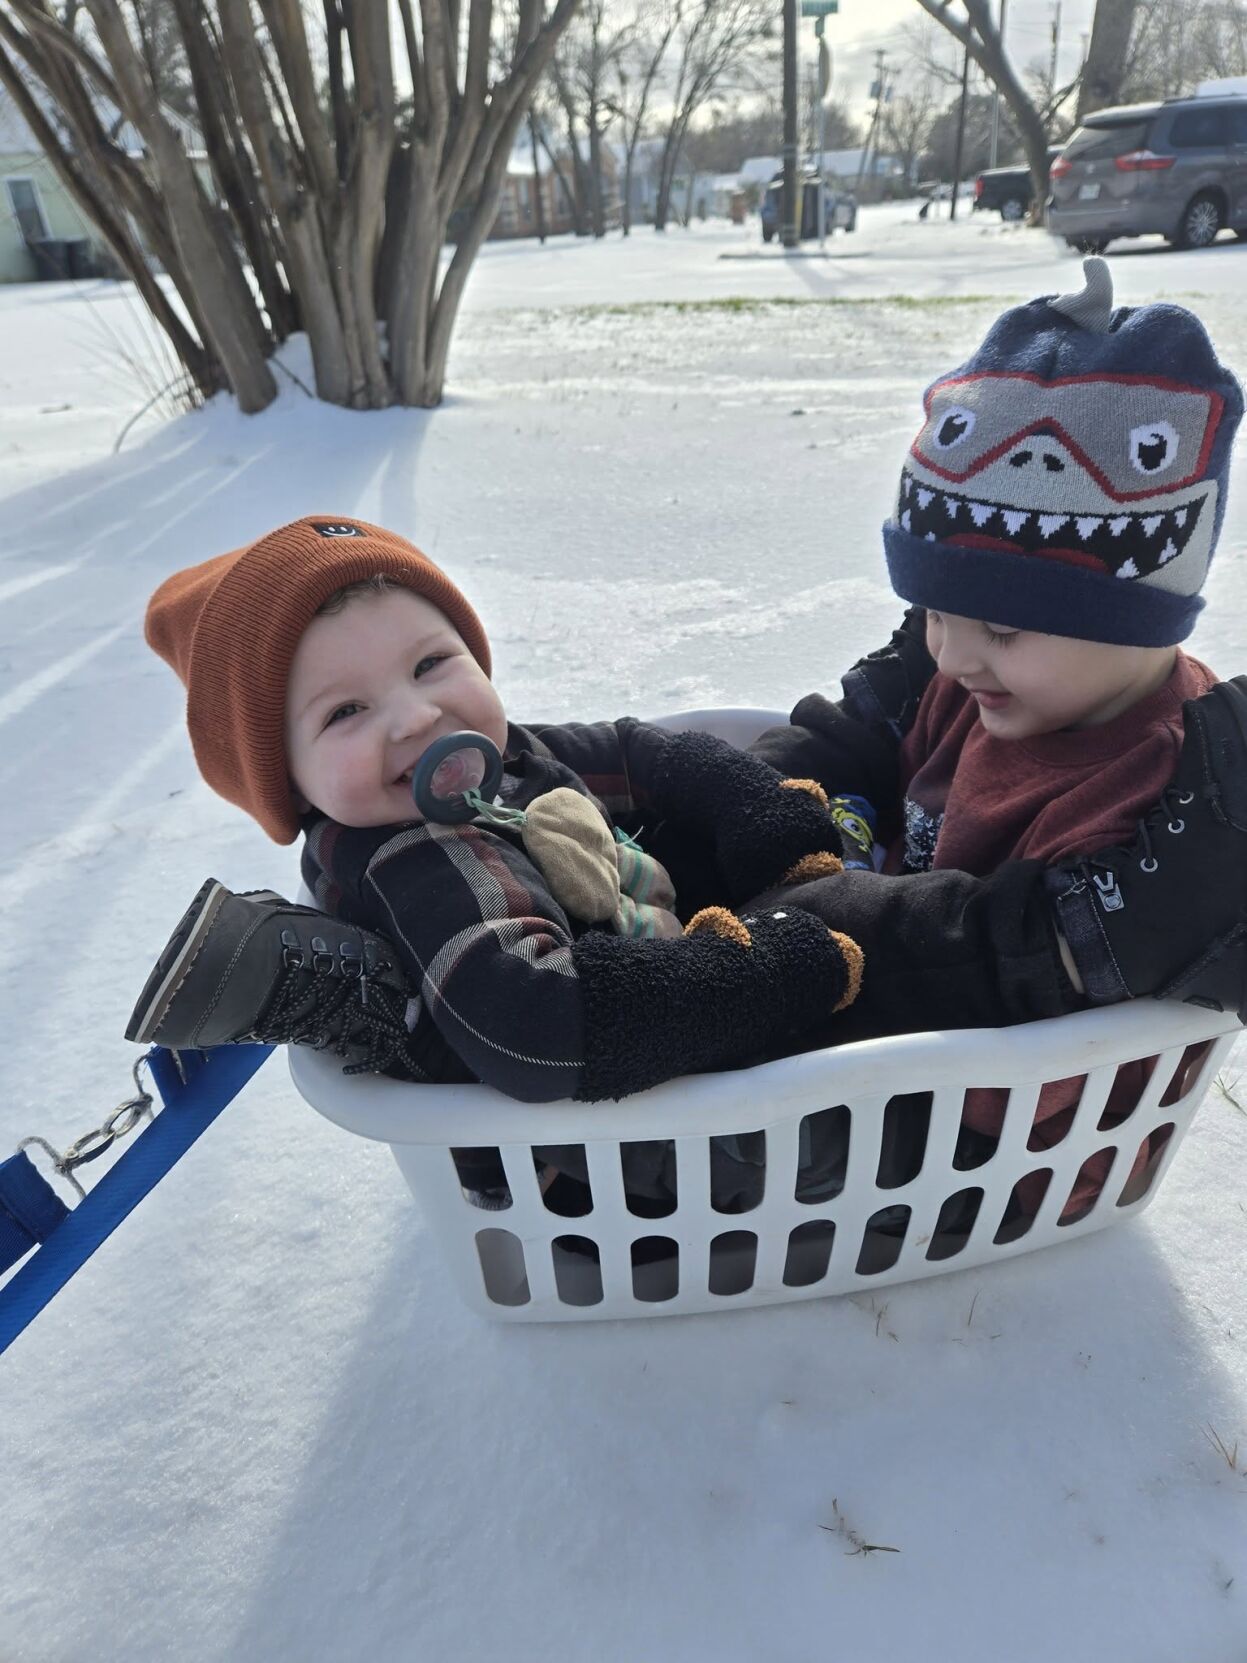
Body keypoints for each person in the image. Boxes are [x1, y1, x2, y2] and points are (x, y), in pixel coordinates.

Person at [128, 260, 1247, 1216]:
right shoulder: (990, 676)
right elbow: (843, 742)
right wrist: (782, 826)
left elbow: (1002, 962)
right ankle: (375, 999)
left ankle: (385, 1002)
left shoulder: (1152, 791)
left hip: (979, 1136)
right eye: (930, 612)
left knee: (763, 908)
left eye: (989, 622)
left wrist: (793, 894)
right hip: (634, 1057)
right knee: (739, 846)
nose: (949, 653)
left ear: (1139, 612)